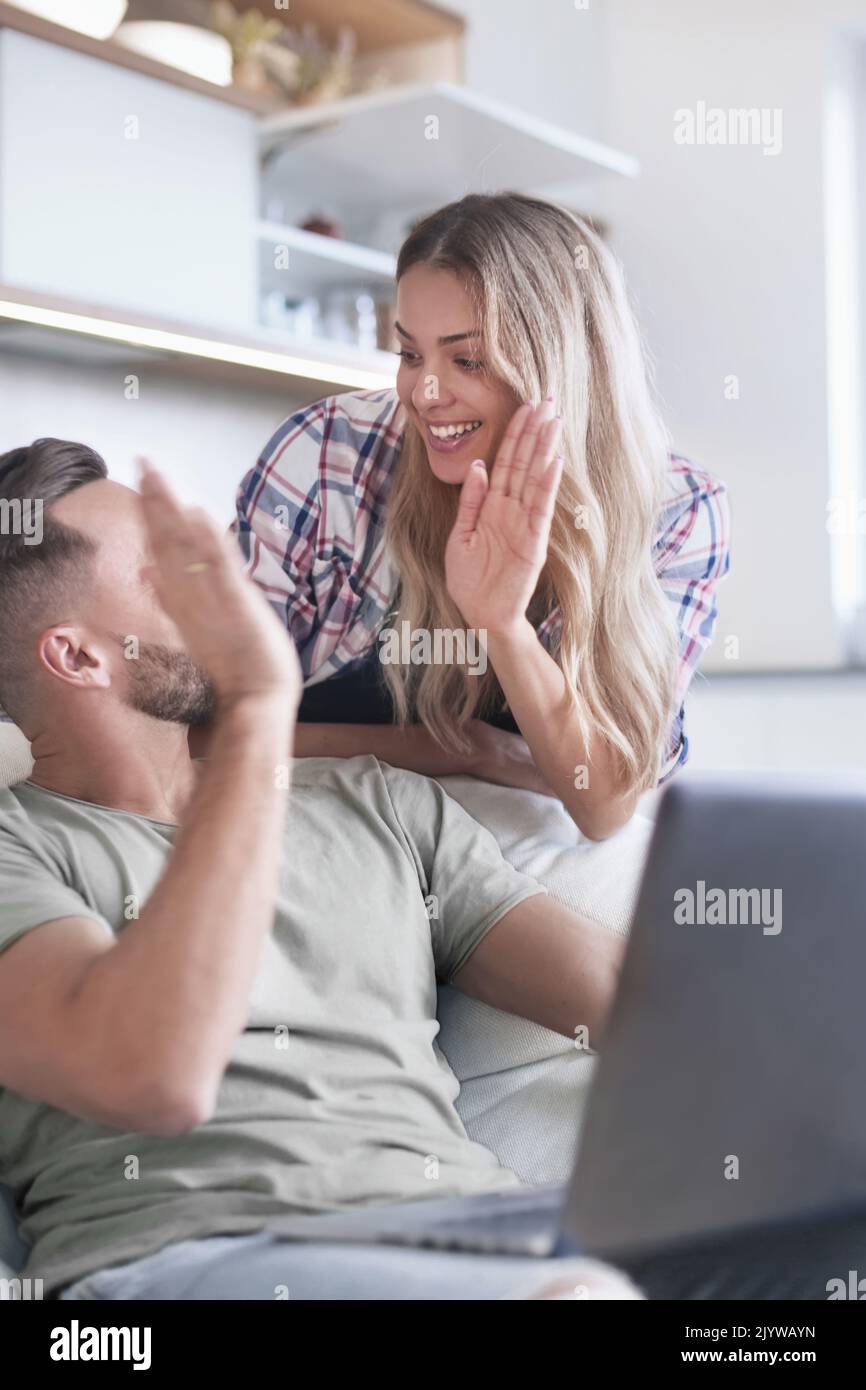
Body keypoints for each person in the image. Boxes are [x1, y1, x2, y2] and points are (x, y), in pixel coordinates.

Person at [0, 438, 636, 1301]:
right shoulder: (17, 848)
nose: (224, 581)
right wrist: (262, 703)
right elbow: (156, 1077)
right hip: (193, 1262)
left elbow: (638, 1004)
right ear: (78, 657)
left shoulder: (374, 805)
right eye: (169, 573)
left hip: (483, 1239)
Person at [233, 193, 731, 841]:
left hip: (523, 859)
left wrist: (502, 624)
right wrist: (466, 749)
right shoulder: (331, 455)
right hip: (323, 832)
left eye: (466, 360)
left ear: (562, 363)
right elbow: (211, 728)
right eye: (410, 355)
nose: (425, 394)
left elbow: (604, 804)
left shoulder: (677, 510)